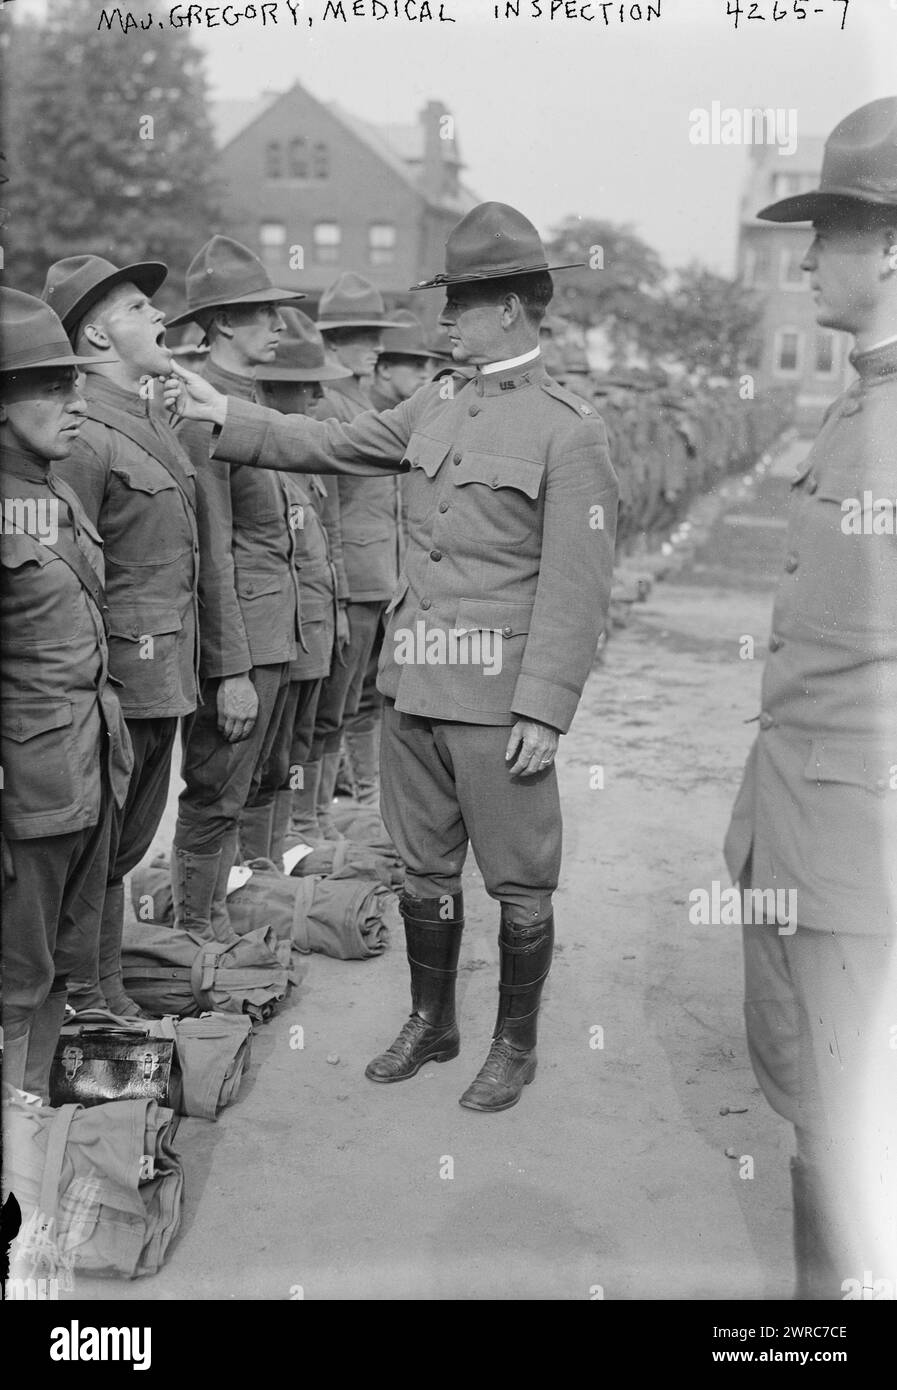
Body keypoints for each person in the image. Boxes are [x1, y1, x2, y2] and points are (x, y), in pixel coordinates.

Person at [166, 202, 619, 1113]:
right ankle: (432, 1021)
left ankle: (513, 1045)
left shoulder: (569, 429)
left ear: (511, 310)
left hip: (498, 699)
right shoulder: (439, 399)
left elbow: (577, 585)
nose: (445, 319)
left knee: (520, 877)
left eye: (460, 301)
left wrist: (545, 706)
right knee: (422, 867)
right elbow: (337, 443)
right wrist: (229, 414)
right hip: (414, 679)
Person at [723, 97, 897, 1297]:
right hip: (799, 832)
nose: (805, 260)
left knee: (857, 1139)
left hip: (863, 863)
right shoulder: (858, 406)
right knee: (819, 1124)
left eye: (826, 231)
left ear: (889, 247)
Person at [42, 254, 200, 1016]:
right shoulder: (80, 434)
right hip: (113, 684)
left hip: (159, 674)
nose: (161, 317)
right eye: (142, 308)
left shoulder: (144, 419)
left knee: (124, 847)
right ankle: (90, 1003)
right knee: (99, 852)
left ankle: (105, 995)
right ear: (98, 334)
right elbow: (67, 579)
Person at [0, 288, 132, 1097]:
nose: (77, 400)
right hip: (27, 795)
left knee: (53, 970)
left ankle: (33, 1134)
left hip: (82, 777)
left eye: (77, 380)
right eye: (52, 384)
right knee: (14, 981)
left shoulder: (60, 496)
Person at [165, 235, 305, 936]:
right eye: (263, 314)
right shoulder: (204, 415)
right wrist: (232, 670)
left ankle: (220, 914)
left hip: (274, 631)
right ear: (221, 323)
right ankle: (198, 930)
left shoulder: (246, 403)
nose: (279, 327)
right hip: (241, 643)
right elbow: (211, 553)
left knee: (247, 783)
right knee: (215, 792)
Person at [251, 308, 350, 853]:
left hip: (312, 619)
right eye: (304, 386)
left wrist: (335, 608)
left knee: (298, 740)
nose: (316, 398)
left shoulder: (303, 452)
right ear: (271, 390)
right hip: (274, 627)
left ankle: (293, 839)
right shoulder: (257, 450)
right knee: (264, 756)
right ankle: (259, 862)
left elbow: (322, 540)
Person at [312, 274, 405, 820]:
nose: (374, 347)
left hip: (380, 578)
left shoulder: (361, 402)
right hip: (353, 582)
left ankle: (361, 802)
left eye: (376, 335)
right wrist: (341, 594)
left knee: (364, 698)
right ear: (331, 343)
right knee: (332, 710)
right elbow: (331, 515)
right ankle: (314, 819)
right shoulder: (329, 406)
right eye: (361, 335)